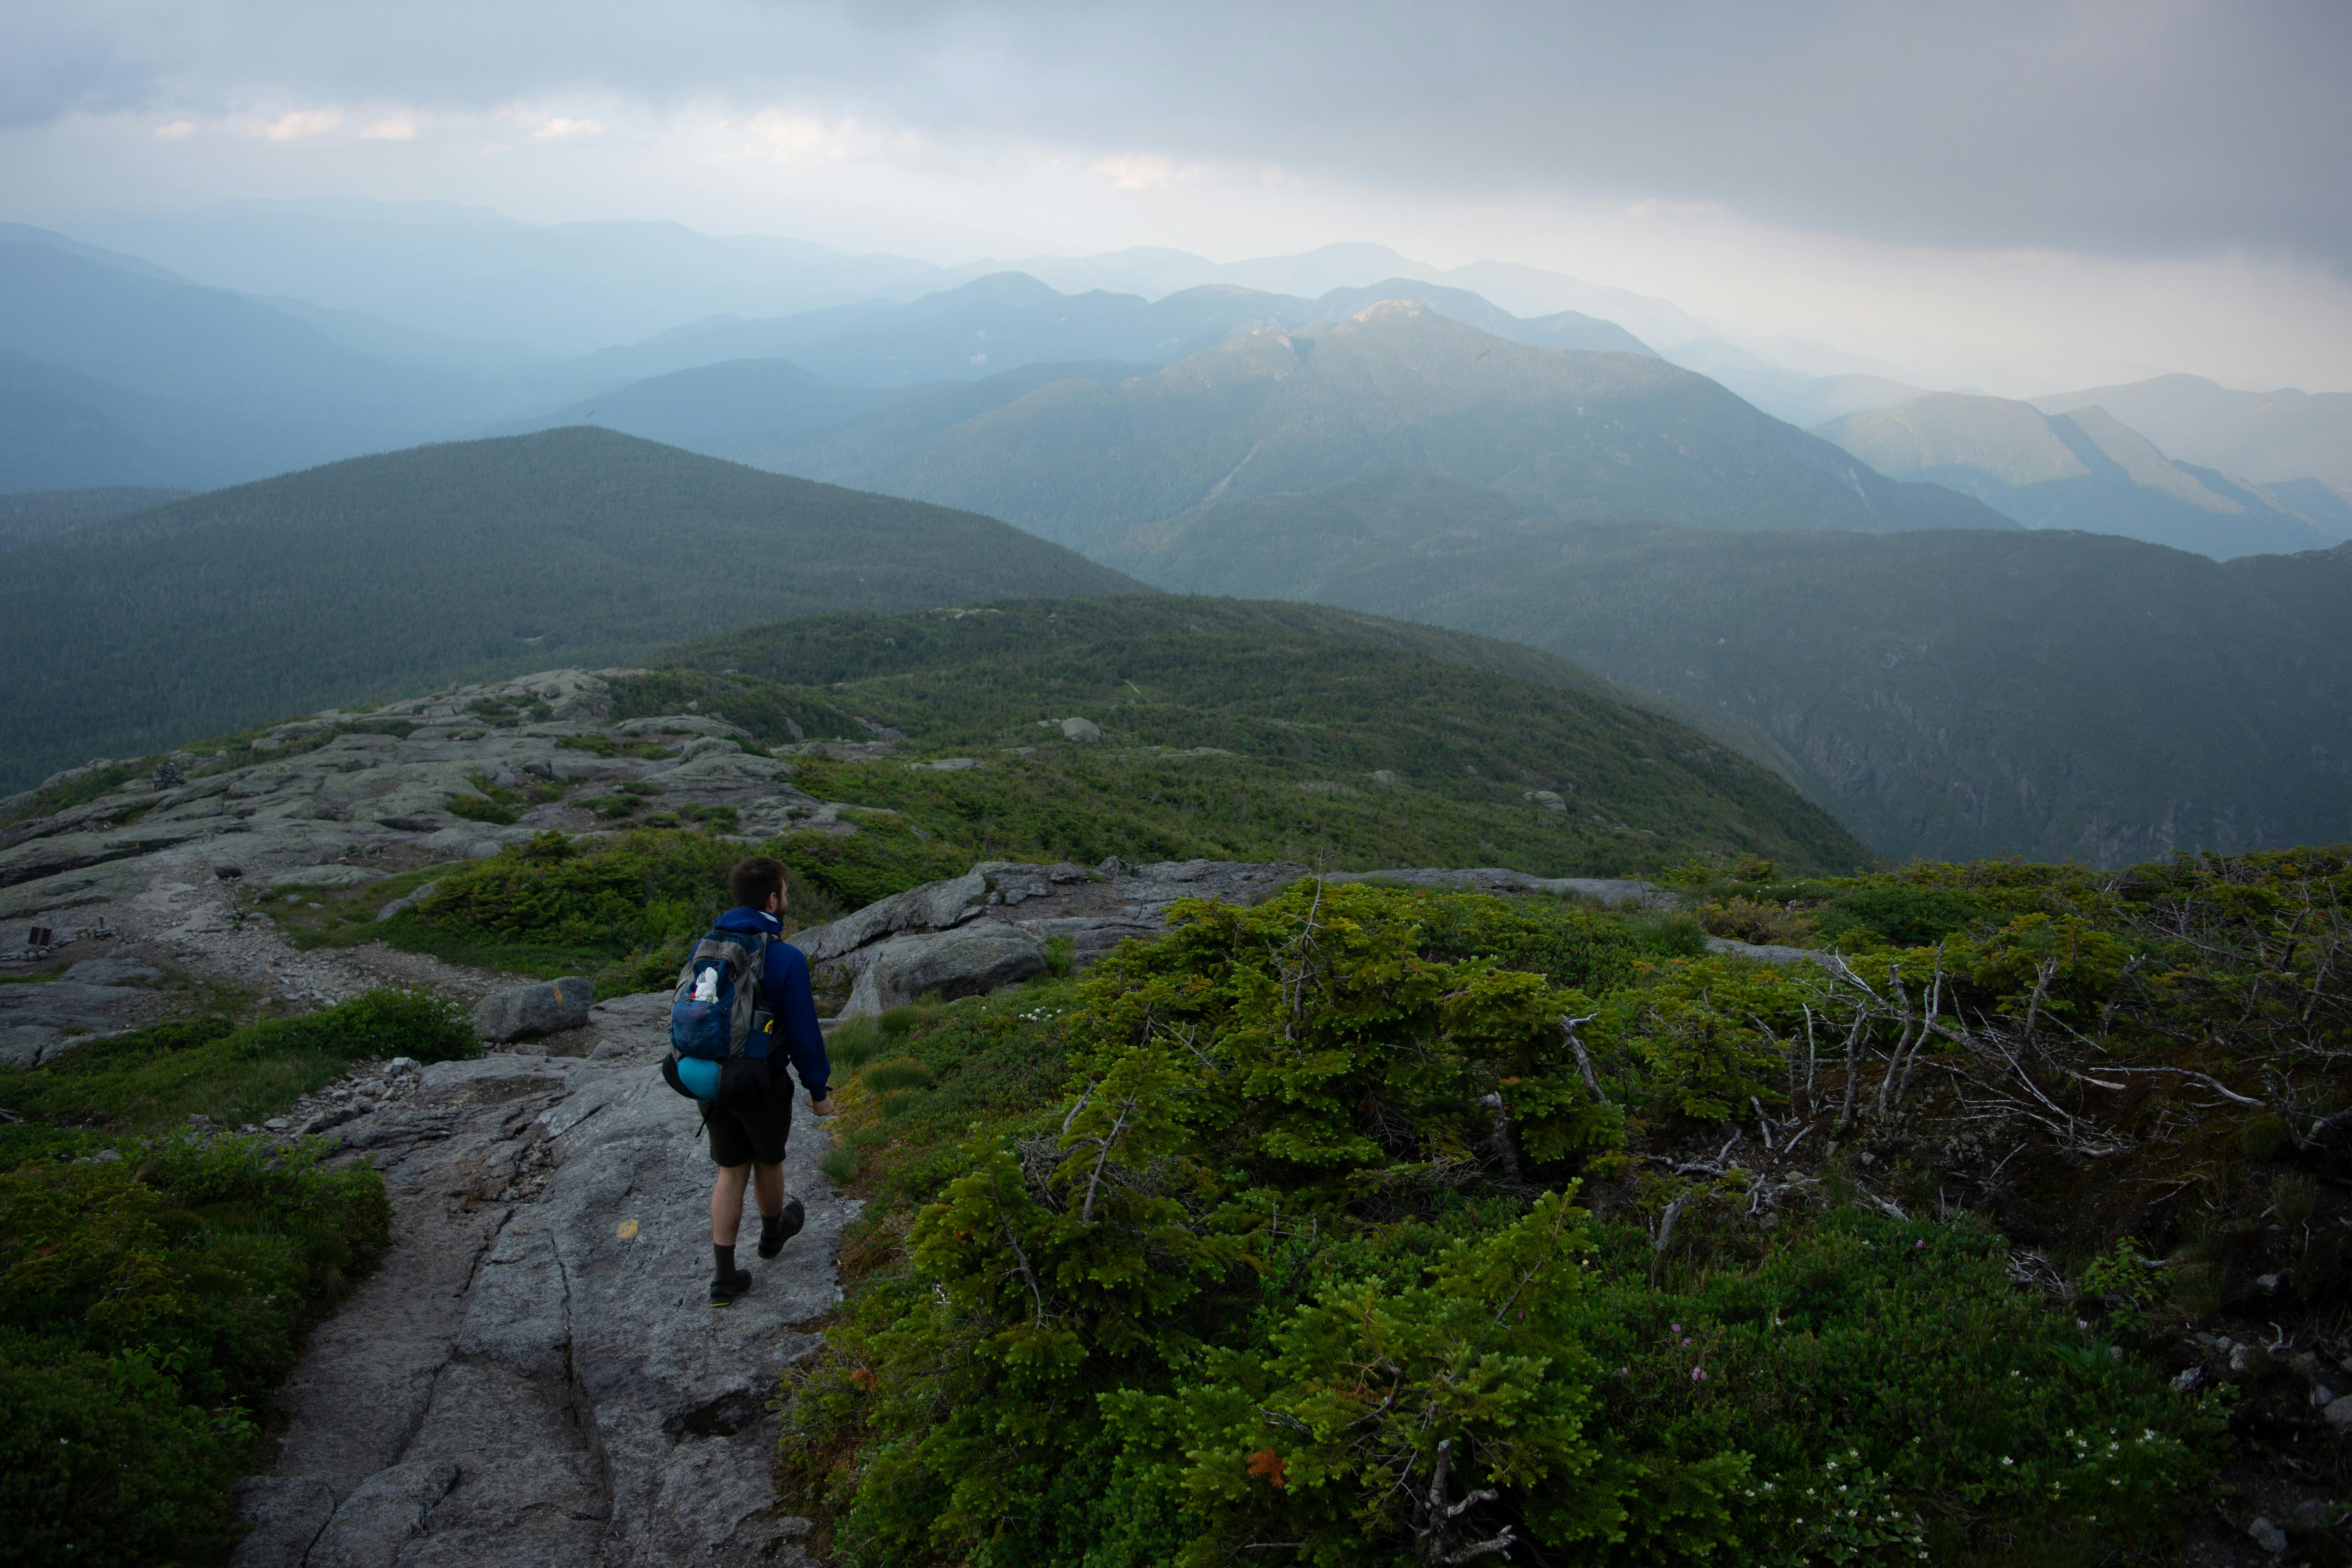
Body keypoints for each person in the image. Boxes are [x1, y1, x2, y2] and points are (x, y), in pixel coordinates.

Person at [700, 856, 834, 1306]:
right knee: (768, 1160)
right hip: (760, 1081)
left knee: (730, 1169)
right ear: (773, 899)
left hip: (710, 1079)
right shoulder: (783, 957)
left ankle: (723, 1280)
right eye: (786, 894)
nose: (787, 901)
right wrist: (819, 1091)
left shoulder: (707, 946)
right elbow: (802, 1032)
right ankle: (773, 1236)